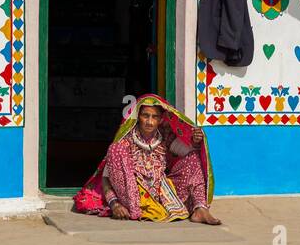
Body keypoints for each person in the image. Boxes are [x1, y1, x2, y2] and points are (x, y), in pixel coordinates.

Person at [73, 93, 221, 225]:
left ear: (160, 119)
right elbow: (106, 177)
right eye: (145, 115)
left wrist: (195, 141)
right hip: (133, 197)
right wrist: (115, 204)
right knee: (115, 148)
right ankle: (135, 210)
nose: (149, 122)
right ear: (138, 116)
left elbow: (186, 151)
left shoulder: (165, 137)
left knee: (193, 158)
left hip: (162, 193)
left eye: (154, 117)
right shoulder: (126, 141)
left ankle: (200, 209)